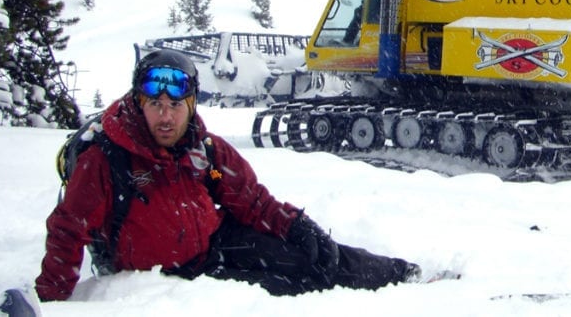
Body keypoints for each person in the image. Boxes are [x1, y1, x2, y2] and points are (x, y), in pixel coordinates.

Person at [36, 49, 430, 302]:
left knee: (310, 259)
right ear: (139, 104)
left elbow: (252, 201)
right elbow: (68, 231)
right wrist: (49, 300)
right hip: (164, 279)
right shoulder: (106, 160)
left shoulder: (203, 148)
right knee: (284, 295)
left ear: (191, 104)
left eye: (176, 104)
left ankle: (401, 275)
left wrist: (299, 228)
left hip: (216, 241)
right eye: (155, 104)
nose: (166, 115)